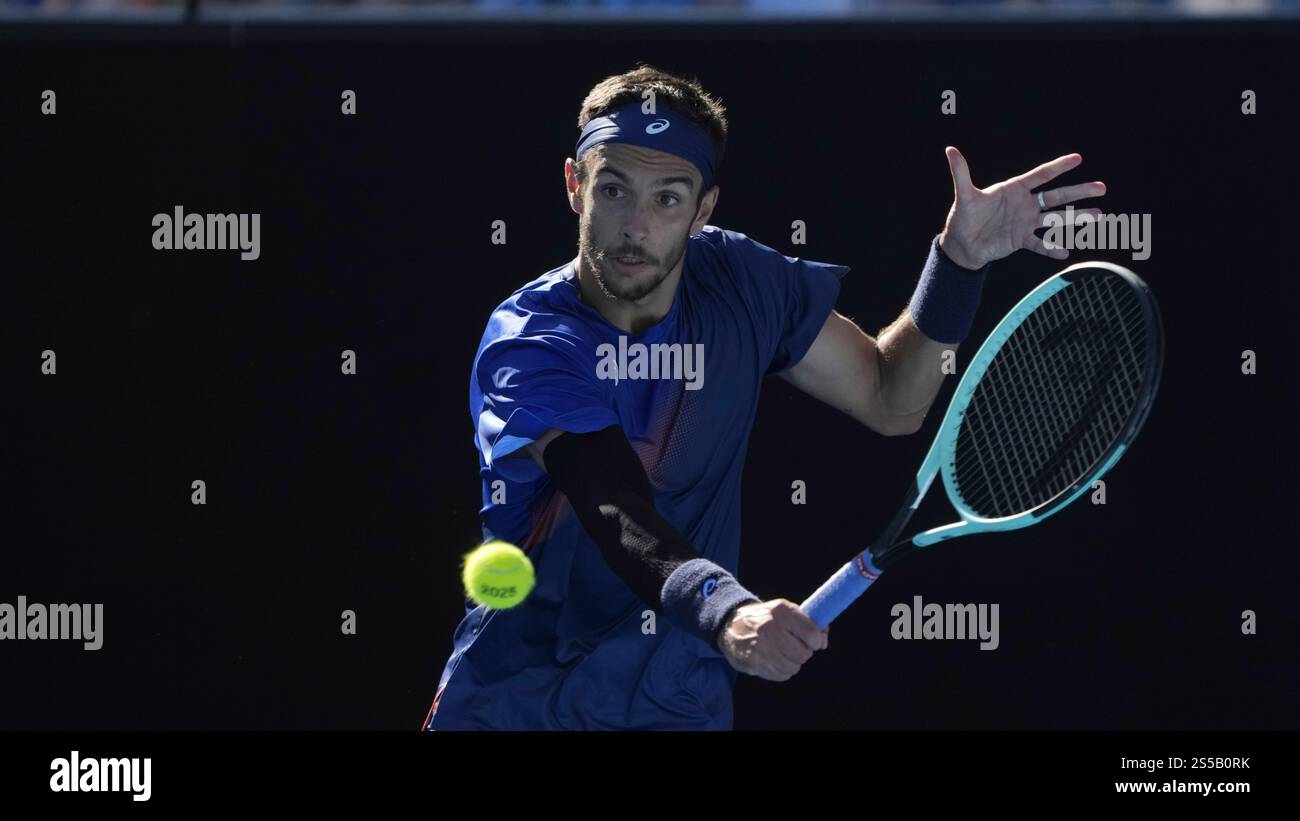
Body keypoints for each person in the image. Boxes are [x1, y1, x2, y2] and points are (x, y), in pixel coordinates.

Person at [424, 63, 1105, 730]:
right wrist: (726, 609)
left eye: (667, 198)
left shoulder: (741, 282)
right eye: (614, 190)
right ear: (576, 186)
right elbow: (613, 506)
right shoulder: (532, 340)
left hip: (678, 705)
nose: (635, 226)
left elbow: (891, 399)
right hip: (519, 706)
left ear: (703, 209)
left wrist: (957, 266)